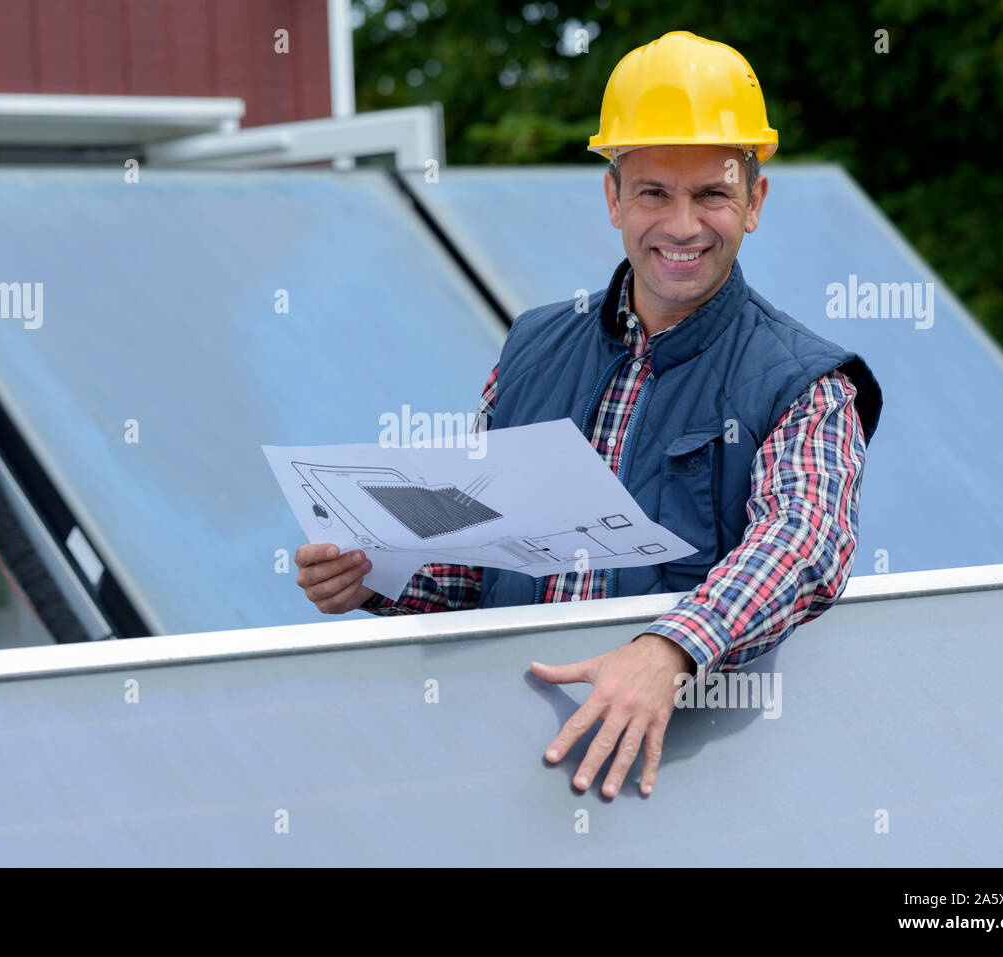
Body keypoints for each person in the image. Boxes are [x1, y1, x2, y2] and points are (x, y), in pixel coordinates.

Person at [294, 31, 883, 800]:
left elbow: (804, 540)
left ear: (755, 201)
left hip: (685, 783)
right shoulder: (534, 346)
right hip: (514, 760)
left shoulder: (803, 381)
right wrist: (374, 577)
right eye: (652, 192)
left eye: (712, 193)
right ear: (612, 198)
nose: (682, 224)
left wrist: (669, 650)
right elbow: (477, 559)